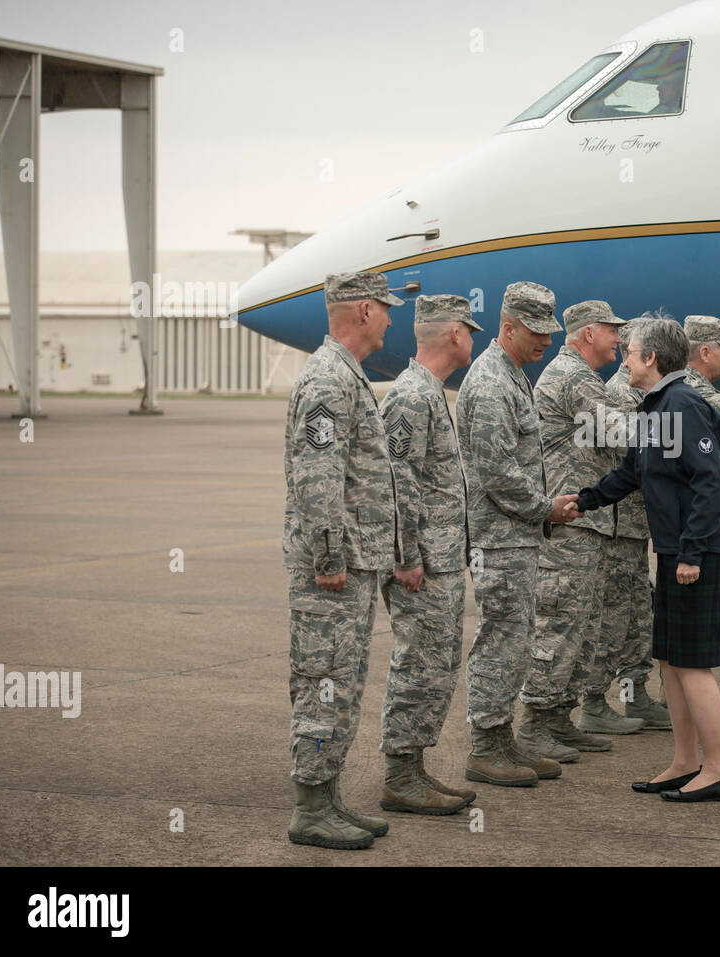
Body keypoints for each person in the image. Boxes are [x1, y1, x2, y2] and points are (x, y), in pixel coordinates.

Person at [577, 317, 720, 802]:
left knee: (692, 664)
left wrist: (690, 551)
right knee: (670, 660)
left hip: (699, 552)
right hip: (674, 552)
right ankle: (685, 761)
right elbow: (631, 472)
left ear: (650, 358)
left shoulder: (684, 405)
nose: (624, 357)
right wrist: (581, 502)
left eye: (629, 351)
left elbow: (711, 483)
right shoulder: (657, 407)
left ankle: (718, 770)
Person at [282, 270, 406, 850]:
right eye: (384, 308)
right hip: (334, 568)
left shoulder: (345, 374)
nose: (390, 317)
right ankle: (310, 809)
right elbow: (318, 475)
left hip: (355, 564)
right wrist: (329, 554)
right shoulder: (329, 379)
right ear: (362, 311)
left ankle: (327, 797)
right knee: (323, 681)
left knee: (343, 681)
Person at [455, 281, 583, 788]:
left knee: (515, 639)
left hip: (516, 536)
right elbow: (496, 470)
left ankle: (502, 738)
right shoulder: (491, 382)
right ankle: (486, 746)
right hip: (500, 538)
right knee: (501, 640)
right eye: (537, 333)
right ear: (507, 327)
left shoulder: (512, 375)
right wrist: (544, 509)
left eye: (551, 333)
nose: (546, 342)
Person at [519, 299, 644, 763]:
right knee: (560, 626)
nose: (619, 339)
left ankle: (558, 719)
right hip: (569, 524)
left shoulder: (584, 377)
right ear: (589, 333)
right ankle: (534, 725)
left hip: (586, 521)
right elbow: (620, 432)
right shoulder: (572, 376)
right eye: (613, 331)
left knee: (582, 628)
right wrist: (679, 422)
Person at [377, 293, 482, 815]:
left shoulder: (430, 392)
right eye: (470, 330)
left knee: (436, 666)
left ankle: (414, 768)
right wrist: (406, 558)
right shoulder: (411, 397)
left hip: (438, 560)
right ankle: (399, 775)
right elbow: (397, 484)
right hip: (420, 564)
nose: (472, 339)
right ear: (453, 335)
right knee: (418, 664)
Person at [601, 316, 673, 729]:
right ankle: (615, 699)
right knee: (621, 618)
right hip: (622, 526)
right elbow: (632, 454)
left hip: (637, 525)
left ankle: (637, 695)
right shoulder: (621, 393)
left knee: (639, 616)